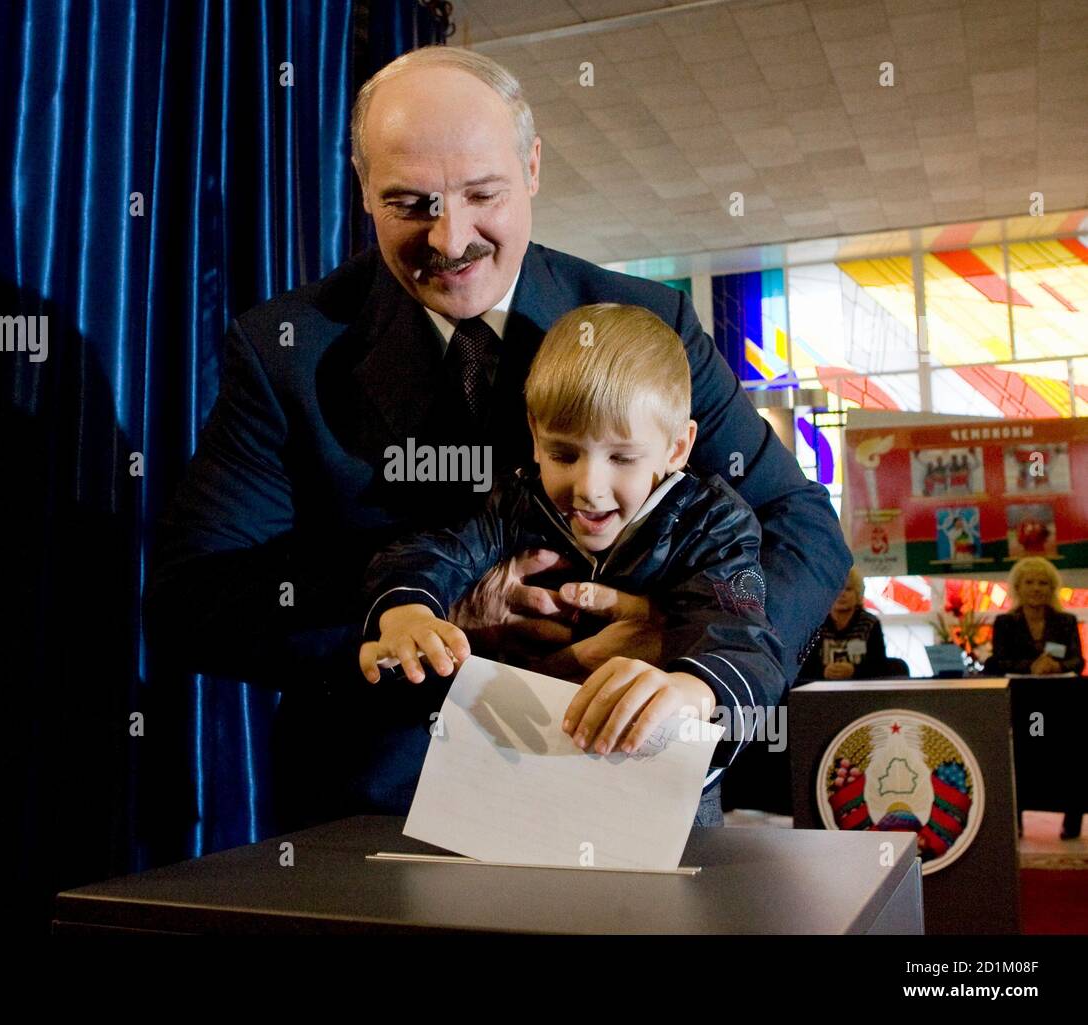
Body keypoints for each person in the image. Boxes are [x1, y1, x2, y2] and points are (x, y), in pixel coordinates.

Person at [144, 45, 851, 833]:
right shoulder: (284, 349)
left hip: (634, 798)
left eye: (483, 194)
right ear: (364, 193)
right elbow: (194, 598)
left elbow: (803, 526)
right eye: (411, 203)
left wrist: (702, 658)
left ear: (533, 169)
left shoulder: (650, 324)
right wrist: (421, 611)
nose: (450, 240)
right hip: (380, 812)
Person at [358, 304, 785, 806]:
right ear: (535, 437)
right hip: (524, 769)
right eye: (564, 455)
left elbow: (741, 631)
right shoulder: (513, 502)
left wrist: (691, 689)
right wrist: (407, 613)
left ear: (676, 448)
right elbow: (437, 551)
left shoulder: (713, 523)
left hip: (660, 784)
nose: (589, 488)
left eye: (622, 458)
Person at [988, 556, 1083, 839]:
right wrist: (1030, 666)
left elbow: (1078, 660)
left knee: (1068, 758)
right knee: (1023, 756)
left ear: (1052, 588)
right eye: (1030, 582)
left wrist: (1057, 666)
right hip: (1024, 703)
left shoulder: (1065, 621)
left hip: (1061, 702)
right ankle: (1015, 820)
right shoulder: (1005, 622)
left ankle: (1072, 819)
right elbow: (998, 662)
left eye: (1043, 583)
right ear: (1018, 587)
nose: (1036, 588)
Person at [797, 567, 890, 682]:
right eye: (837, 589)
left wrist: (854, 671)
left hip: (861, 692)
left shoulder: (870, 624)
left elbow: (880, 666)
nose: (842, 594)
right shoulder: (816, 623)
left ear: (858, 594)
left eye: (848, 589)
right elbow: (802, 666)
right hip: (822, 692)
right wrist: (823, 672)